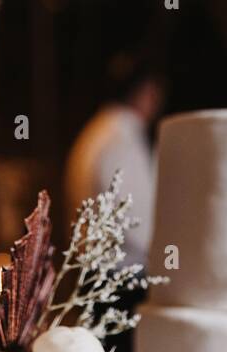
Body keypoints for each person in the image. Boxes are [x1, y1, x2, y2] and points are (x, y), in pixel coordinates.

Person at [64, 53, 167, 267]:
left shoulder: (97, 130)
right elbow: (136, 222)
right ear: (146, 92)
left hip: (92, 268)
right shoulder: (121, 141)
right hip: (116, 276)